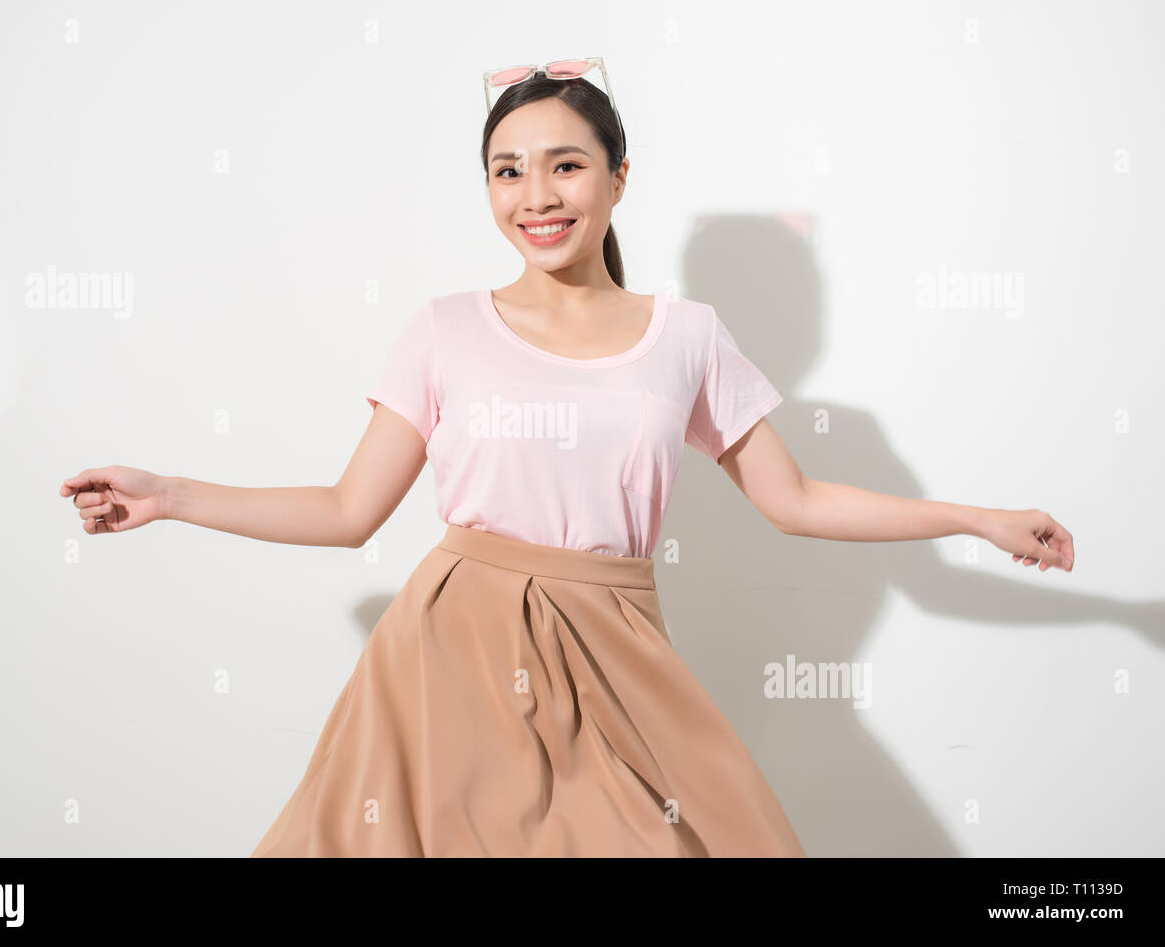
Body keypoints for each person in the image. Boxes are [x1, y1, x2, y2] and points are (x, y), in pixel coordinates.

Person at [58, 60, 1074, 857]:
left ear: (619, 177)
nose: (535, 195)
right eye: (507, 170)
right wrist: (173, 494)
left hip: (618, 658)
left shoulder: (685, 335)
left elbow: (795, 498)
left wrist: (976, 519)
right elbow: (345, 510)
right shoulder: (444, 329)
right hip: (451, 656)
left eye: (565, 164)